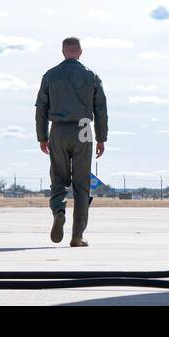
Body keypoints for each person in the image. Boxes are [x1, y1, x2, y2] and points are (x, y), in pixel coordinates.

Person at [35, 37, 107, 247]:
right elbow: (101, 109)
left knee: (58, 178)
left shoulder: (50, 75)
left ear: (63, 52)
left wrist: (42, 136)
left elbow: (40, 109)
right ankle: (77, 236)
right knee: (82, 184)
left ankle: (59, 211)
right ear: (80, 52)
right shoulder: (91, 76)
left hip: (58, 128)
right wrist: (102, 138)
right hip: (84, 128)